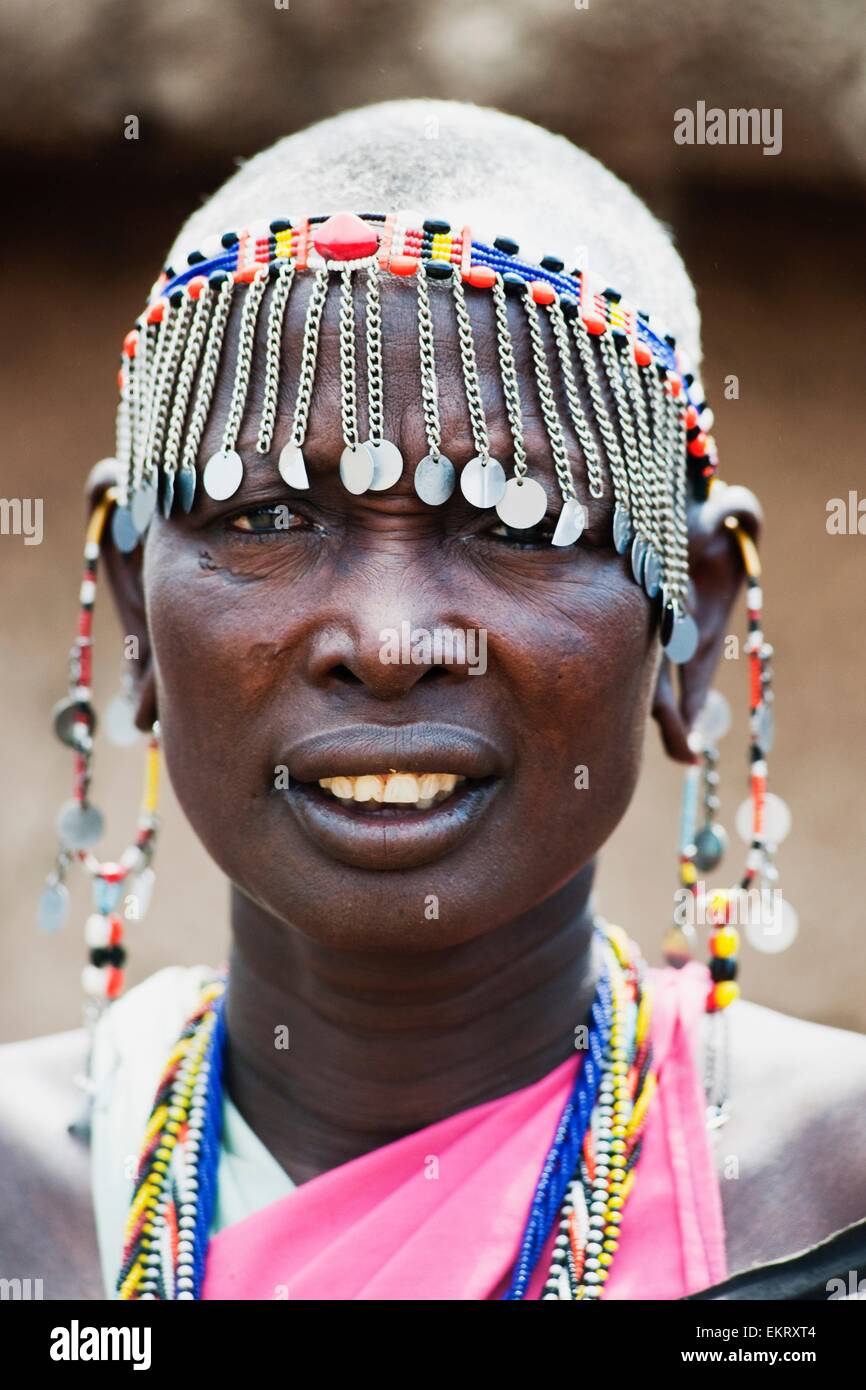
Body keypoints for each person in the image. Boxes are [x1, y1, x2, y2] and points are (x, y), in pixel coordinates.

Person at [3, 100, 866, 1302]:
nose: (390, 641)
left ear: (693, 617)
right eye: (264, 518)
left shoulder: (833, 1205)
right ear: (134, 608)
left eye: (516, 520)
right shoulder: (16, 1213)